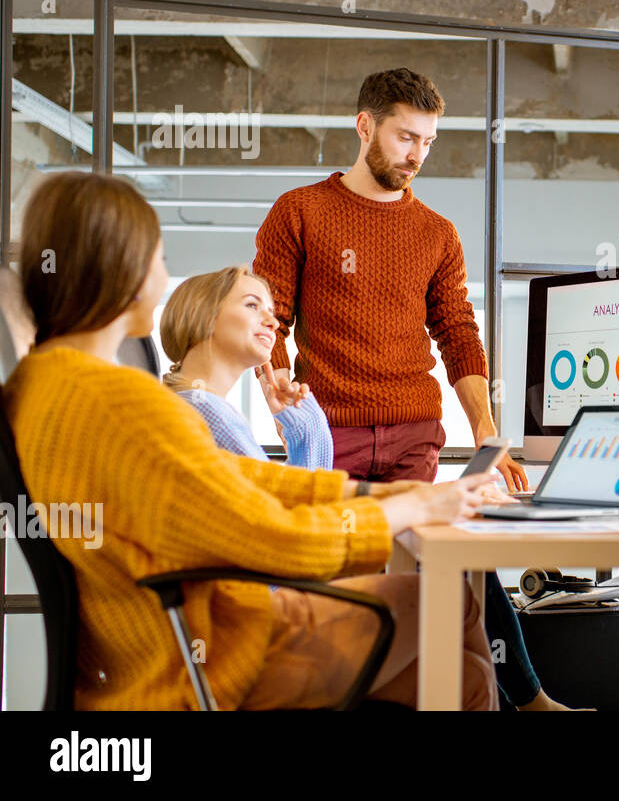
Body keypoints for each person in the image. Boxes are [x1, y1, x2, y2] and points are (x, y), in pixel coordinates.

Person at [3, 171, 500, 710]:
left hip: (152, 650)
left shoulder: (38, 386)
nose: (165, 272)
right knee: (450, 606)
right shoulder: (122, 402)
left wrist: (398, 497)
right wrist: (401, 511)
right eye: (159, 256)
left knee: (466, 679)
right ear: (123, 266)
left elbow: (244, 480)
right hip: (207, 659)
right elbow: (272, 536)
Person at [158, 264, 574, 710]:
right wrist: (411, 505)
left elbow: (289, 495)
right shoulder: (207, 414)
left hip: (262, 612)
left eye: (271, 309)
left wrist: (306, 425)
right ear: (202, 317)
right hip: (254, 632)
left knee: (468, 675)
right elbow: (288, 530)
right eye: (251, 305)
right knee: (452, 601)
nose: (272, 320)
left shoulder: (198, 404)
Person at [252, 66, 526, 491]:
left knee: (412, 554)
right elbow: (268, 319)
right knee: (330, 553)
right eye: (405, 137)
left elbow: (459, 335)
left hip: (415, 435)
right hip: (327, 431)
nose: (417, 155)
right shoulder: (299, 211)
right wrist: (285, 406)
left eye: (428, 141)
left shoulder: (439, 233)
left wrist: (485, 430)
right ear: (365, 126)